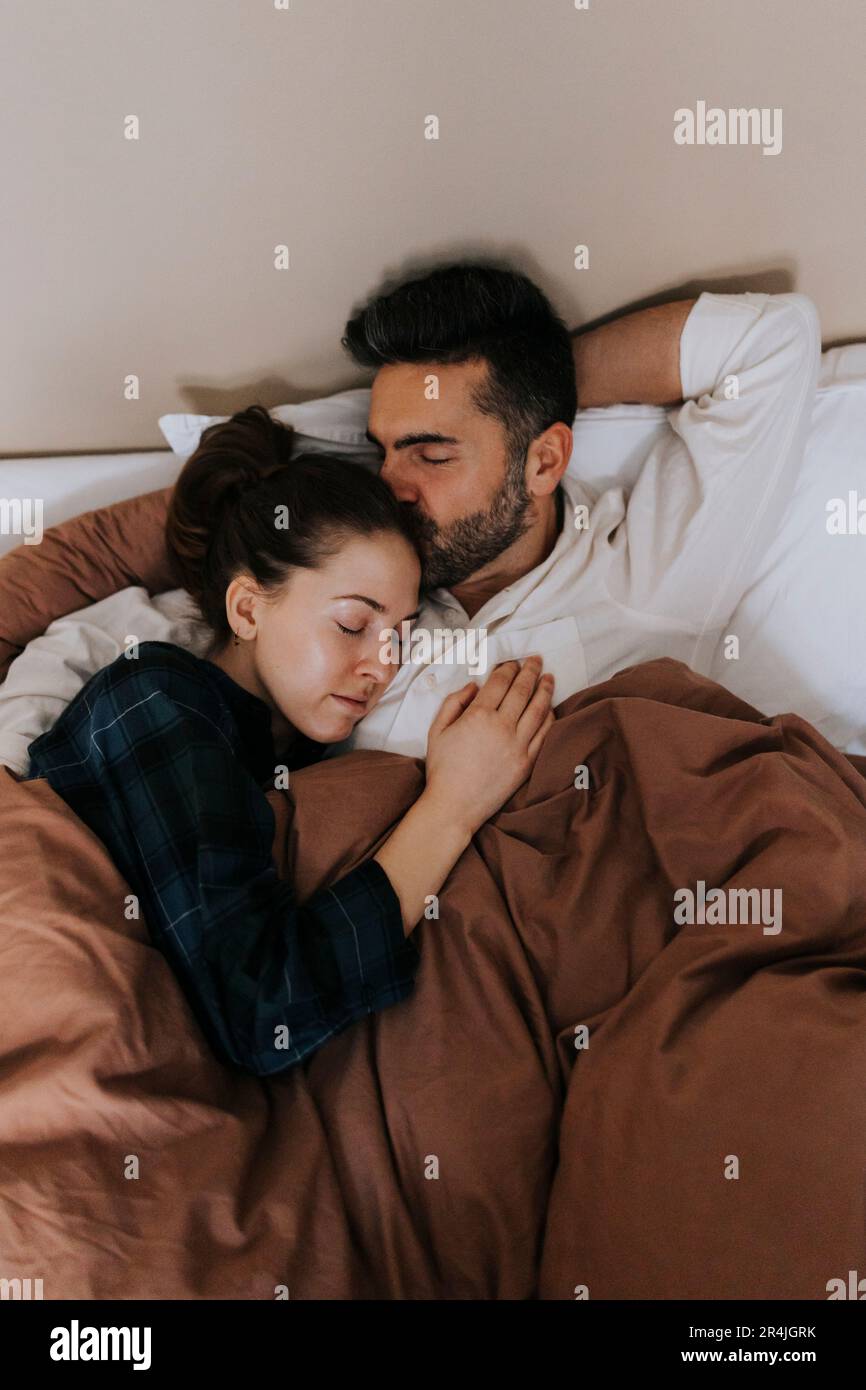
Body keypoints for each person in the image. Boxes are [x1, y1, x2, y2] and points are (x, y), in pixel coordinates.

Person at [24, 406, 555, 1077]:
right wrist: (452, 809)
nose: (382, 665)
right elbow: (262, 1013)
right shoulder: (152, 698)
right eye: (353, 623)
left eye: (399, 633)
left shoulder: (299, 757)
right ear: (247, 609)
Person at [330, 259, 821, 757]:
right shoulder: (345, 572)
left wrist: (540, 393)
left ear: (543, 461)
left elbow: (774, 340)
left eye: (433, 456)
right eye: (381, 452)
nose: (389, 489)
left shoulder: (651, 580)